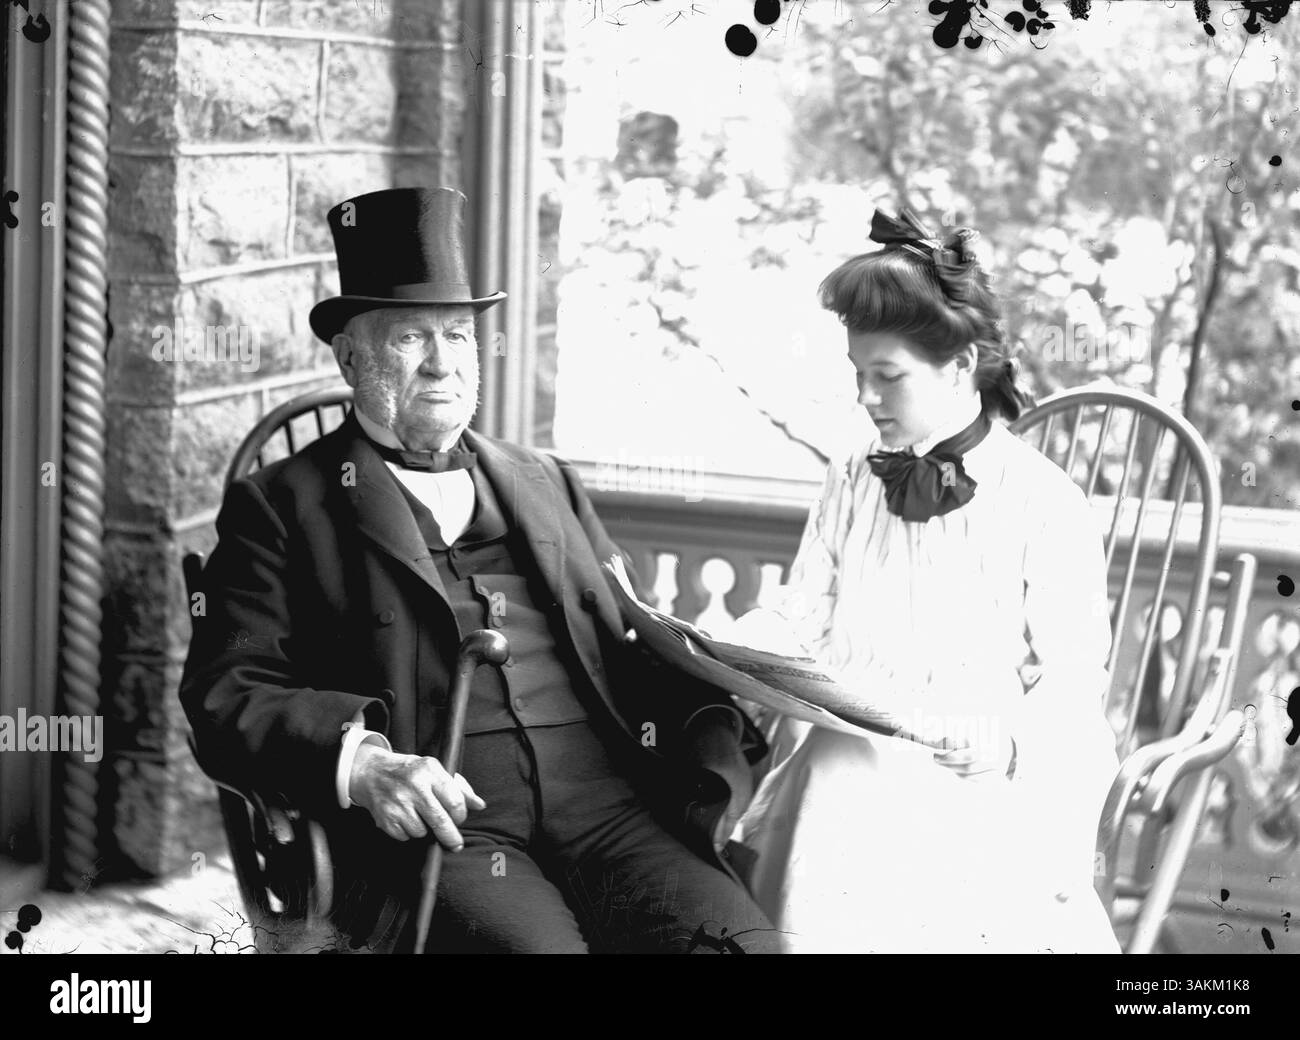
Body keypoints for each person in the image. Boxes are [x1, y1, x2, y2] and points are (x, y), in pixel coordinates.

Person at [180, 187, 778, 954]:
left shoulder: (543, 479)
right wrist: (363, 764)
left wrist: (718, 717)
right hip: (445, 829)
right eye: (409, 338)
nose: (441, 363)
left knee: (746, 947)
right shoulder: (280, 505)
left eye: (458, 335)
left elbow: (633, 636)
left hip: (611, 811)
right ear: (350, 355)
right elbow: (227, 691)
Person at [728, 208, 1122, 953]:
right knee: (838, 776)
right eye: (858, 377)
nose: (867, 400)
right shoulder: (850, 477)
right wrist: (732, 647)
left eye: (888, 378)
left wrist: (1008, 741)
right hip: (851, 748)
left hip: (973, 767)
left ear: (962, 365)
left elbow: (1075, 677)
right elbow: (801, 615)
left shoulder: (1043, 500)